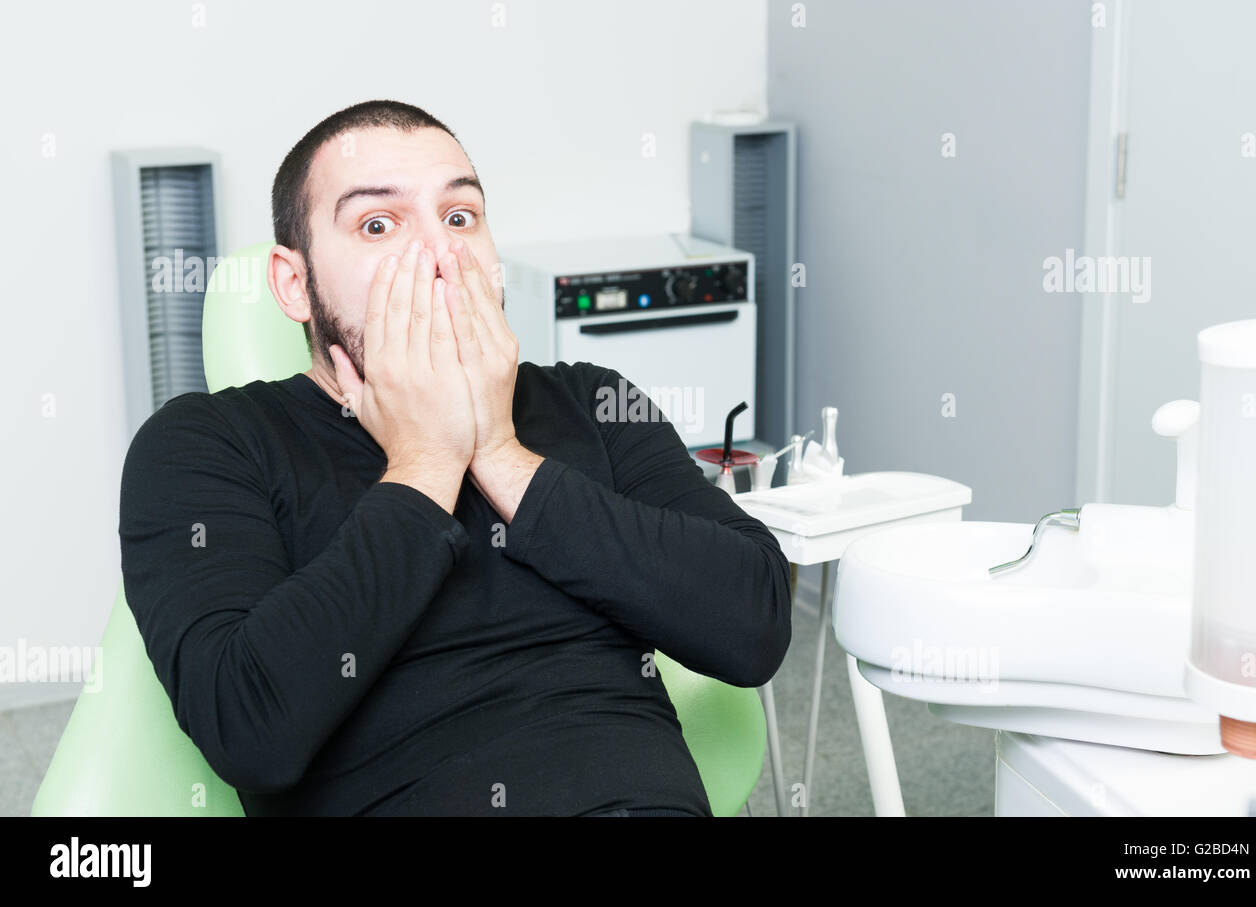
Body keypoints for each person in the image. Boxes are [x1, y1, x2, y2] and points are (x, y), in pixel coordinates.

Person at [118, 99, 792, 816]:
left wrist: (500, 453)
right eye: (378, 225)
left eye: (460, 217)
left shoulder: (592, 401)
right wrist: (424, 463)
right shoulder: (209, 442)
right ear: (295, 284)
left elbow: (753, 626)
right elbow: (249, 727)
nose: (440, 254)